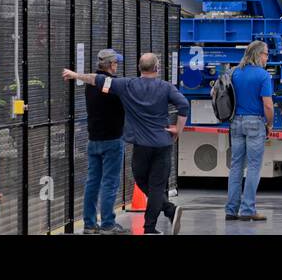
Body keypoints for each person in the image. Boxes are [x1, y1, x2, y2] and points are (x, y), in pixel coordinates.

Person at [63, 52, 189, 235]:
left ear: (139, 67)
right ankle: (148, 222)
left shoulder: (126, 85)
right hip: (155, 143)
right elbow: (184, 104)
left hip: (127, 144)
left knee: (131, 180)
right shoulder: (164, 87)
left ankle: (91, 223)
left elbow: (94, 79)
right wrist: (178, 129)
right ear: (157, 68)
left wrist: (75, 75)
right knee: (151, 185)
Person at [225, 39, 275, 222]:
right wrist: (270, 124)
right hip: (255, 122)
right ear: (259, 55)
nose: (267, 57)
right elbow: (268, 105)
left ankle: (231, 210)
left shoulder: (234, 72)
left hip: (235, 122)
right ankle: (247, 210)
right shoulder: (263, 76)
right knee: (254, 166)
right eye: (266, 54)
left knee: (236, 166)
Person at [82, 48, 126, 234]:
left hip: (93, 139)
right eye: (115, 63)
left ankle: (89, 224)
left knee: (92, 182)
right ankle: (108, 223)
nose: (117, 66)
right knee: (110, 182)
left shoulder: (90, 84)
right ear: (109, 64)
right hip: (112, 140)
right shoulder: (114, 86)